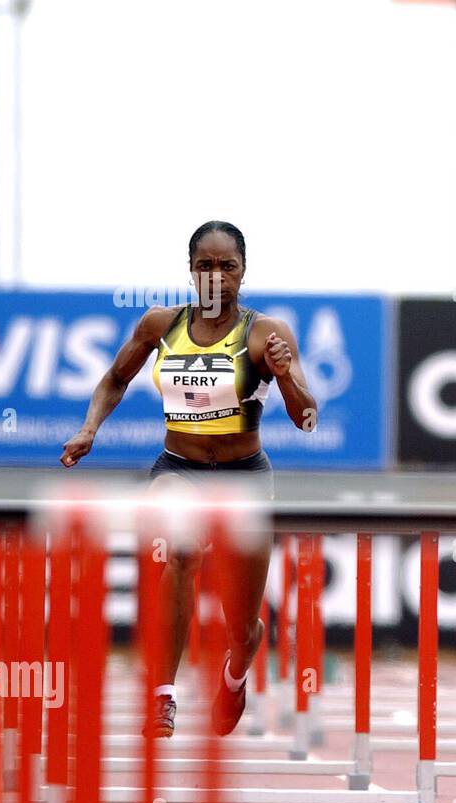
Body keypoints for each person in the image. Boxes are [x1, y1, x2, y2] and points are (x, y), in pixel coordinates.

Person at [61, 220, 317, 738]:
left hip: (245, 476)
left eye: (227, 266)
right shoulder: (160, 325)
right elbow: (113, 380)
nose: (216, 276)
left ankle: (235, 672)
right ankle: (162, 695)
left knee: (243, 626)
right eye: (206, 265)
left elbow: (307, 418)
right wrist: (90, 428)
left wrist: (285, 375)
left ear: (243, 272)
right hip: (178, 468)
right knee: (180, 551)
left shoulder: (266, 333)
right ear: (190, 270)